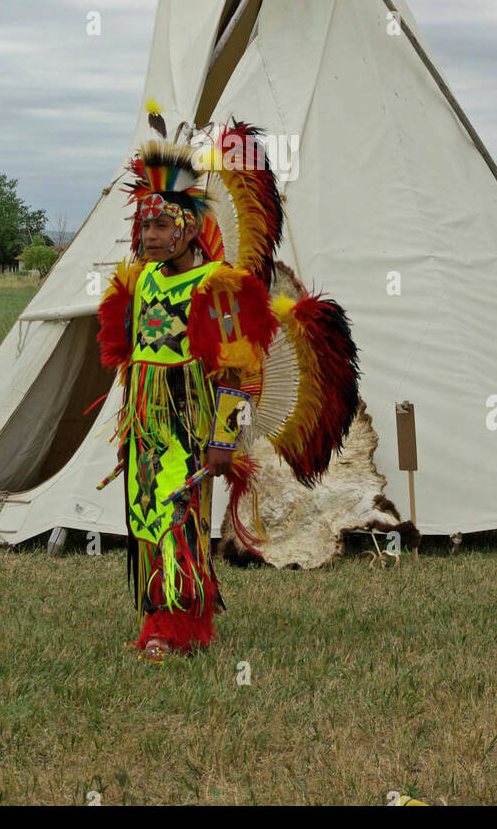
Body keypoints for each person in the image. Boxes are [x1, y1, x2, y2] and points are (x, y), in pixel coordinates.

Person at [96, 113, 360, 662]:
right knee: (145, 516)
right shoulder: (141, 278)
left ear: (188, 230)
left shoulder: (215, 285)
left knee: (176, 516)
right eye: (143, 227)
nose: (147, 237)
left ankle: (176, 628)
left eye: (159, 227)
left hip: (189, 422)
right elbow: (132, 355)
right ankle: (161, 619)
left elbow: (239, 375)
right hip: (145, 423)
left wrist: (223, 441)